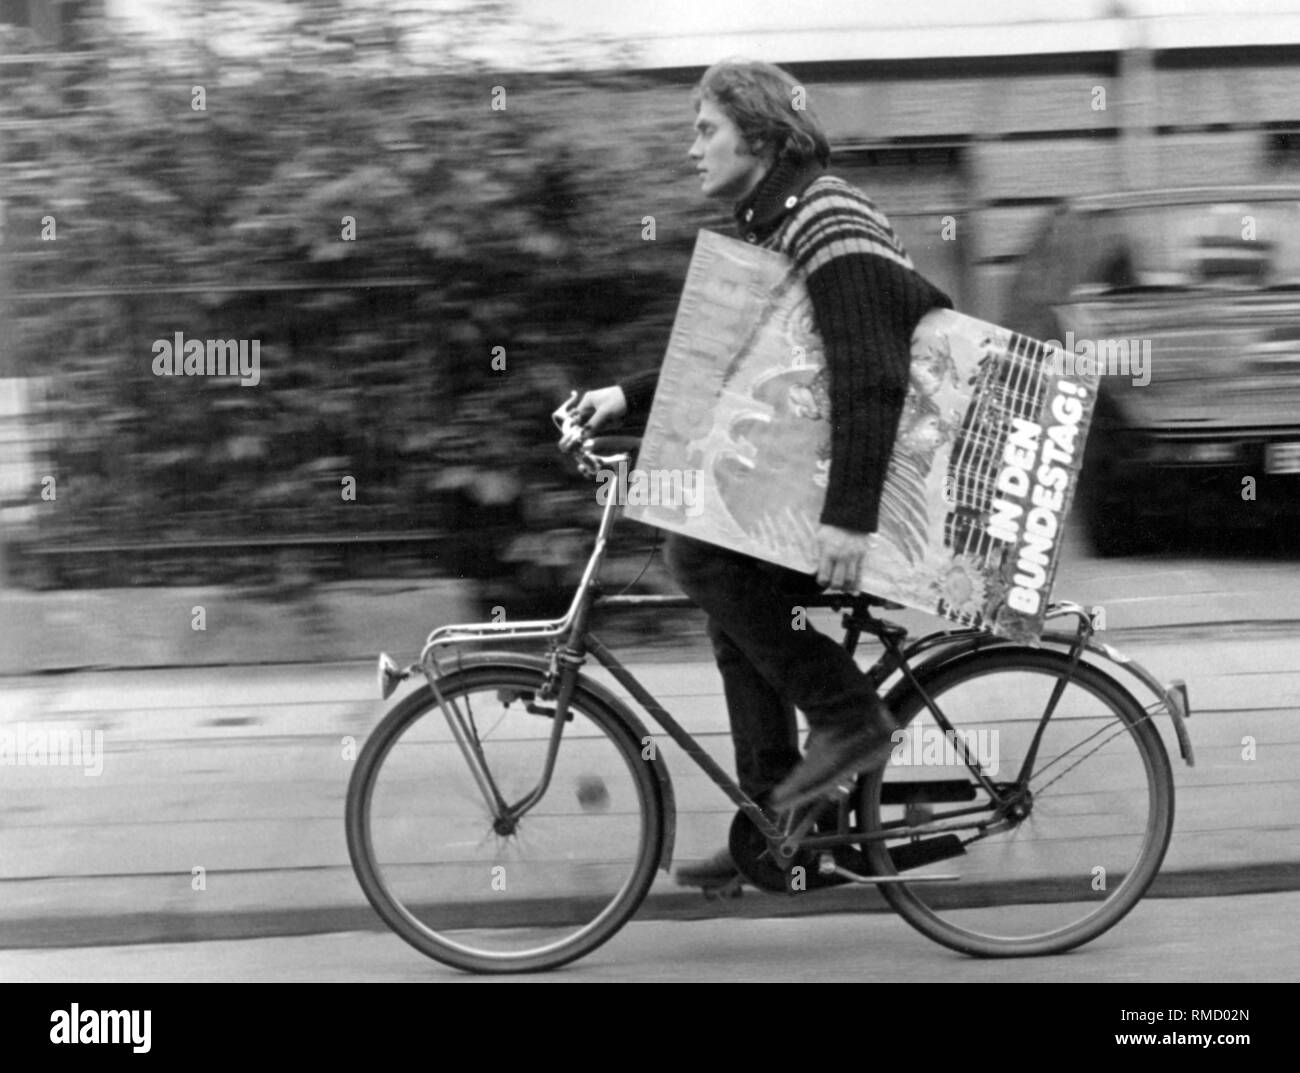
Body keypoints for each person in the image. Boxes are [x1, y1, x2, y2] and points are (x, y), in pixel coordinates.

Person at [576, 59, 953, 888]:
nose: (692, 148)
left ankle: (851, 720)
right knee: (728, 592)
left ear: (760, 136)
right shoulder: (778, 224)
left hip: (890, 479)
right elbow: (741, 364)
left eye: (706, 129)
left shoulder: (826, 217)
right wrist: (624, 396)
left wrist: (848, 520)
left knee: (699, 555)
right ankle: (779, 823)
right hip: (849, 467)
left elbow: (871, 374)